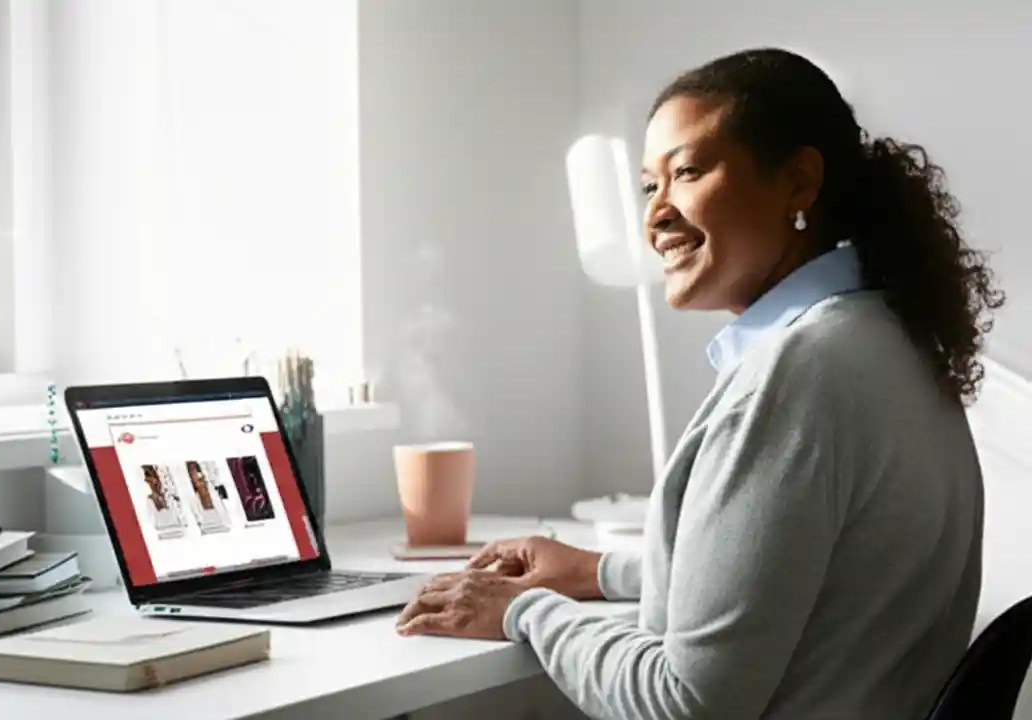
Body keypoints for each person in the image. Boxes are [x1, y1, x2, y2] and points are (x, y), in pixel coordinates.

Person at [395, 47, 1004, 719]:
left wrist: (524, 611)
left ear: (799, 182)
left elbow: (684, 704)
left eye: (685, 173)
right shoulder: (886, 339)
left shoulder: (796, 377)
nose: (655, 214)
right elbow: (805, 573)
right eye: (647, 186)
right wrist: (596, 571)